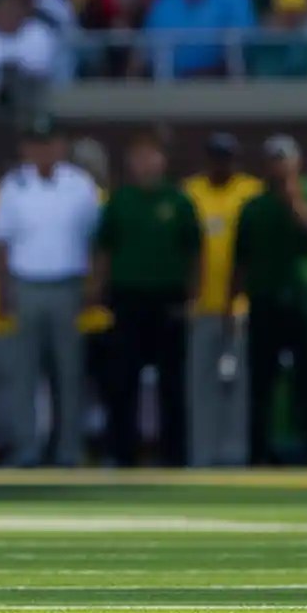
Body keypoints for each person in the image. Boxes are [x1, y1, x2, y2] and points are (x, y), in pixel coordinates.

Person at [0, 118, 101, 466]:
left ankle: (69, 449)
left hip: (68, 286)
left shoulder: (81, 185)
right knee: (24, 373)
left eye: (49, 143)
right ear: (26, 149)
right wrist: (3, 290)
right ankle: (27, 448)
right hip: (26, 285)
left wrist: (92, 288)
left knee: (69, 373)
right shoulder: (12, 186)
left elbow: (95, 241)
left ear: (61, 146)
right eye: (36, 144)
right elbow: (0, 242)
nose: (43, 151)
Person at [93, 132, 201, 466]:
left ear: (162, 161)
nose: (145, 164)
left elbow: (195, 252)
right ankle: (121, 452)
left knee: (173, 382)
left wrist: (193, 296)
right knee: (122, 380)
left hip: (168, 297)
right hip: (127, 297)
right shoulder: (119, 201)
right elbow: (104, 251)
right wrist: (97, 290)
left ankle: (174, 455)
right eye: (138, 157)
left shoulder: (179, 201)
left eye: (151, 156)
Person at [232, 136, 307, 465]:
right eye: (274, 159)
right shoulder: (254, 205)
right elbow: (240, 259)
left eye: (284, 159)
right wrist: (235, 303)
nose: (279, 166)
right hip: (264, 299)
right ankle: (259, 452)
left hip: (302, 298)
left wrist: (295, 202)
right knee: (262, 382)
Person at [183, 133, 262, 466]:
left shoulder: (251, 192)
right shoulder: (190, 192)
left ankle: (234, 454)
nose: (221, 164)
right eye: (216, 157)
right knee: (200, 385)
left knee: (238, 386)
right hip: (201, 306)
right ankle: (201, 454)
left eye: (227, 157)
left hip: (240, 306)